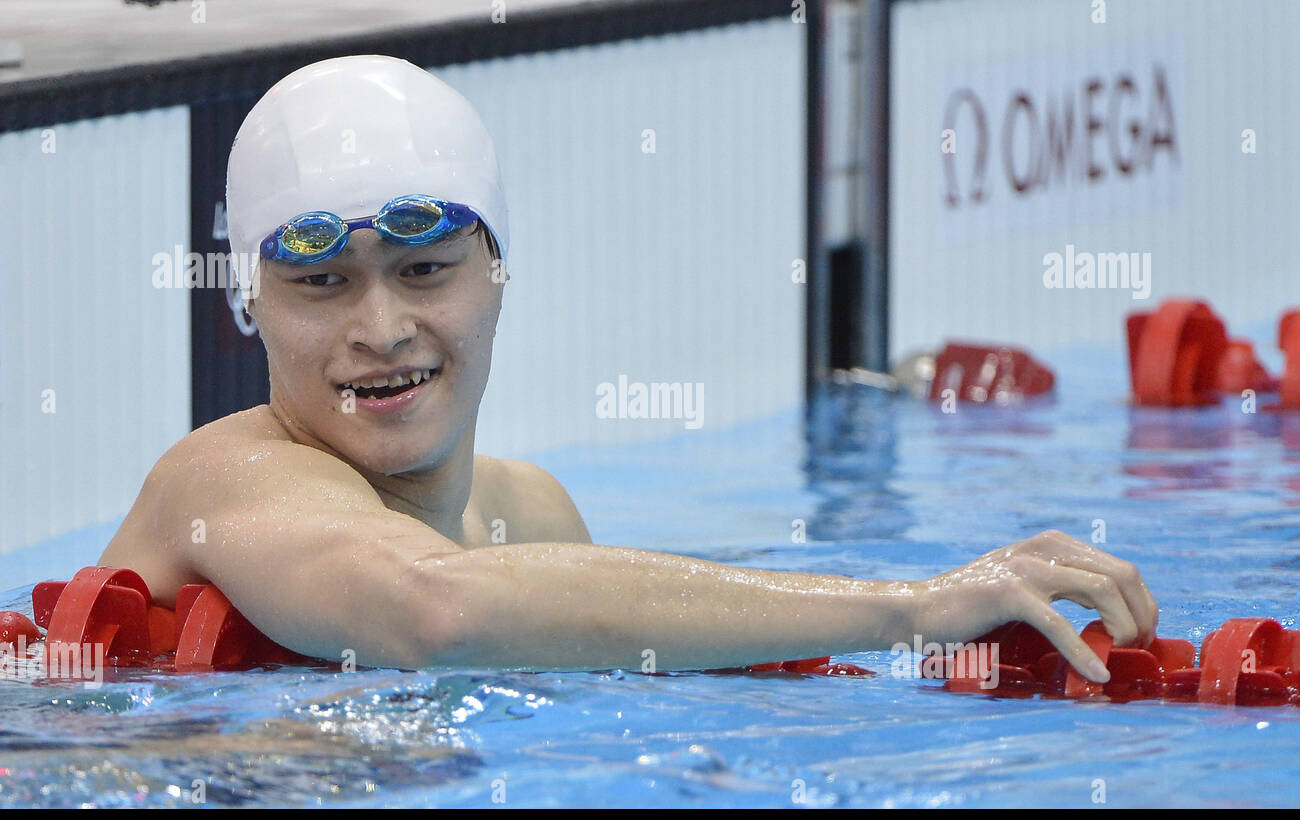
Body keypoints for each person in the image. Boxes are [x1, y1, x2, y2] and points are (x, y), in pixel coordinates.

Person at [99, 55, 1156, 677]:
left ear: (499, 272)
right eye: (321, 284)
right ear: (248, 305)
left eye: (425, 270)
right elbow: (427, 609)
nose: (380, 327)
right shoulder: (222, 479)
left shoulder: (532, 514)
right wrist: (910, 608)